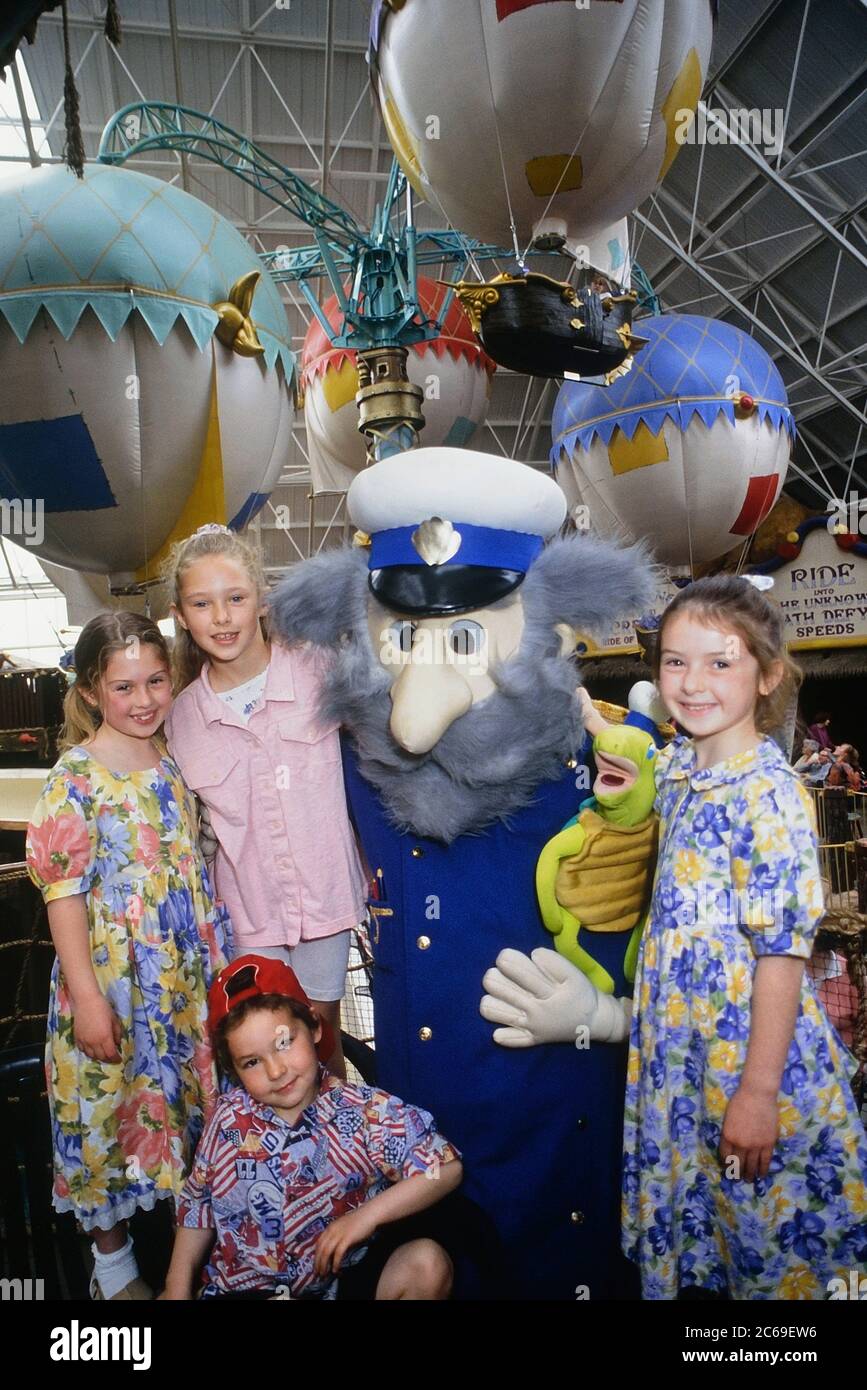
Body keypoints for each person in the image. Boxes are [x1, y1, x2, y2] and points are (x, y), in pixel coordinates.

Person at [622, 574, 867, 1300]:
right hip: (680, 1058)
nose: (692, 682)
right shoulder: (677, 770)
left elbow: (781, 958)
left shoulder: (767, 795)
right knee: (715, 1234)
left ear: (766, 676)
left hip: (747, 1061)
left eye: (720, 662)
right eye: (675, 661)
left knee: (768, 1243)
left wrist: (757, 1093)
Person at [26, 613, 231, 1301]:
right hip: (112, 982)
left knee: (183, 1105)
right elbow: (63, 896)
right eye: (123, 687)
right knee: (106, 1109)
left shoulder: (171, 761)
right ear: (90, 692)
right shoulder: (74, 778)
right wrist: (88, 1000)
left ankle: (187, 1255)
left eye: (155, 681)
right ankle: (112, 1266)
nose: (143, 700)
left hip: (180, 979)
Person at [163, 526, 368, 1078]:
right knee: (266, 1048)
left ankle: (340, 1130)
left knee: (320, 1037)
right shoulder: (181, 719)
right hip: (249, 914)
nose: (221, 618)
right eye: (201, 604)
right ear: (180, 616)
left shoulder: (318, 669)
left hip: (324, 899)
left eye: (235, 598)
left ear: (262, 600)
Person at [162, 955, 462, 1300]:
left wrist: (367, 1217)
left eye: (284, 1043)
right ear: (234, 1070)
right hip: (243, 1291)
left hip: (336, 1287)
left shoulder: (365, 1111)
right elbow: (197, 1205)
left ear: (315, 1028)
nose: (276, 1071)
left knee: (427, 1264)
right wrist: (176, 1287)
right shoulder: (228, 1118)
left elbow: (445, 1168)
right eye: (253, 1062)